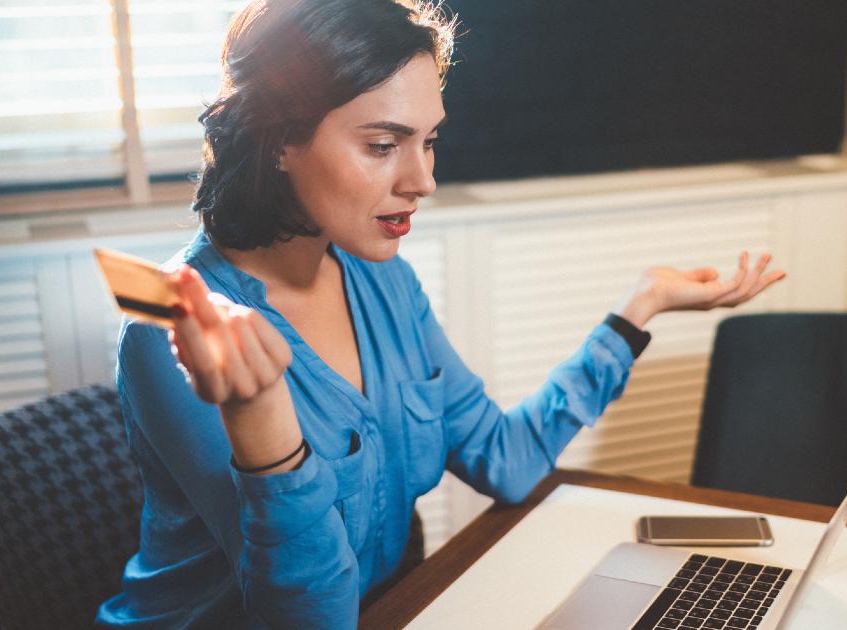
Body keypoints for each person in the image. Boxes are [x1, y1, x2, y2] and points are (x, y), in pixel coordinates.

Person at [95, 0, 785, 627]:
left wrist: (639, 310)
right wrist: (262, 422)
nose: (423, 180)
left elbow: (505, 460)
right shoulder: (174, 334)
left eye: (428, 141)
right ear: (278, 138)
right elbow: (310, 619)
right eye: (382, 145)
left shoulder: (384, 281)